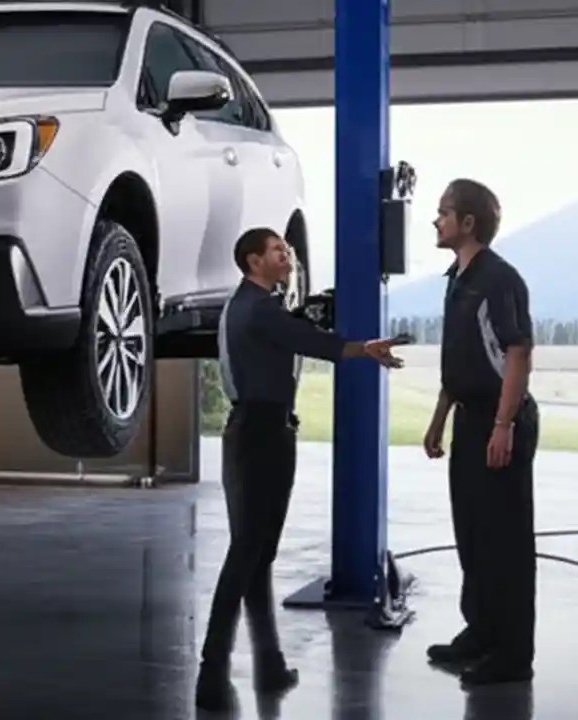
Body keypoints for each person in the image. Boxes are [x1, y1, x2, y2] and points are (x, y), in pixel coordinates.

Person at [196, 227, 409, 711]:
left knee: (255, 554)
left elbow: (293, 334)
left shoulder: (245, 305)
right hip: (263, 435)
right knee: (248, 553)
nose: (287, 254)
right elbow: (312, 342)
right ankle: (212, 670)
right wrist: (365, 348)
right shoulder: (261, 309)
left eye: (286, 249)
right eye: (277, 250)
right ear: (254, 261)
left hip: (248, 431)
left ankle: (268, 665)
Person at [422, 179, 539, 686]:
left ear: (468, 223)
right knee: (472, 534)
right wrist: (440, 416)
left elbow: (518, 352)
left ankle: (513, 655)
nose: (436, 220)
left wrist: (503, 425)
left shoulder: (497, 278)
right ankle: (482, 631)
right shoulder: (457, 278)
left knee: (505, 542)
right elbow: (460, 358)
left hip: (500, 420)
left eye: (443, 212)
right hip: (470, 417)